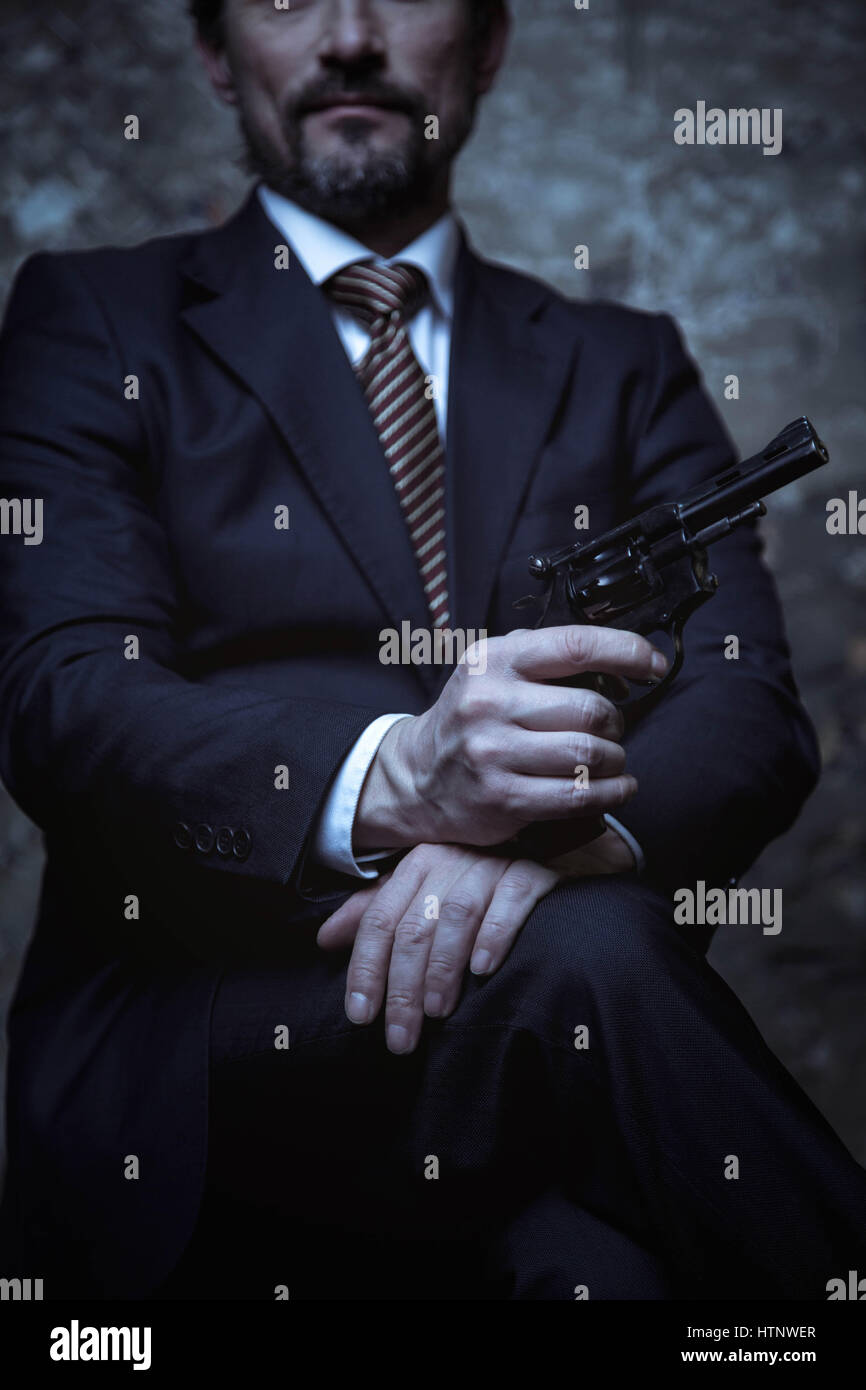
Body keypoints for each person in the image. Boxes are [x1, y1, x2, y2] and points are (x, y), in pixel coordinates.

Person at [0, 0, 864, 1300]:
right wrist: (397, 780)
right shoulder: (93, 320)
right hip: (200, 1035)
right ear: (210, 51)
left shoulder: (624, 364)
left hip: (547, 1031)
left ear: (493, 41)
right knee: (594, 956)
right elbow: (63, 697)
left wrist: (560, 844)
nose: (349, 37)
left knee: (604, 1270)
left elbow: (745, 710)